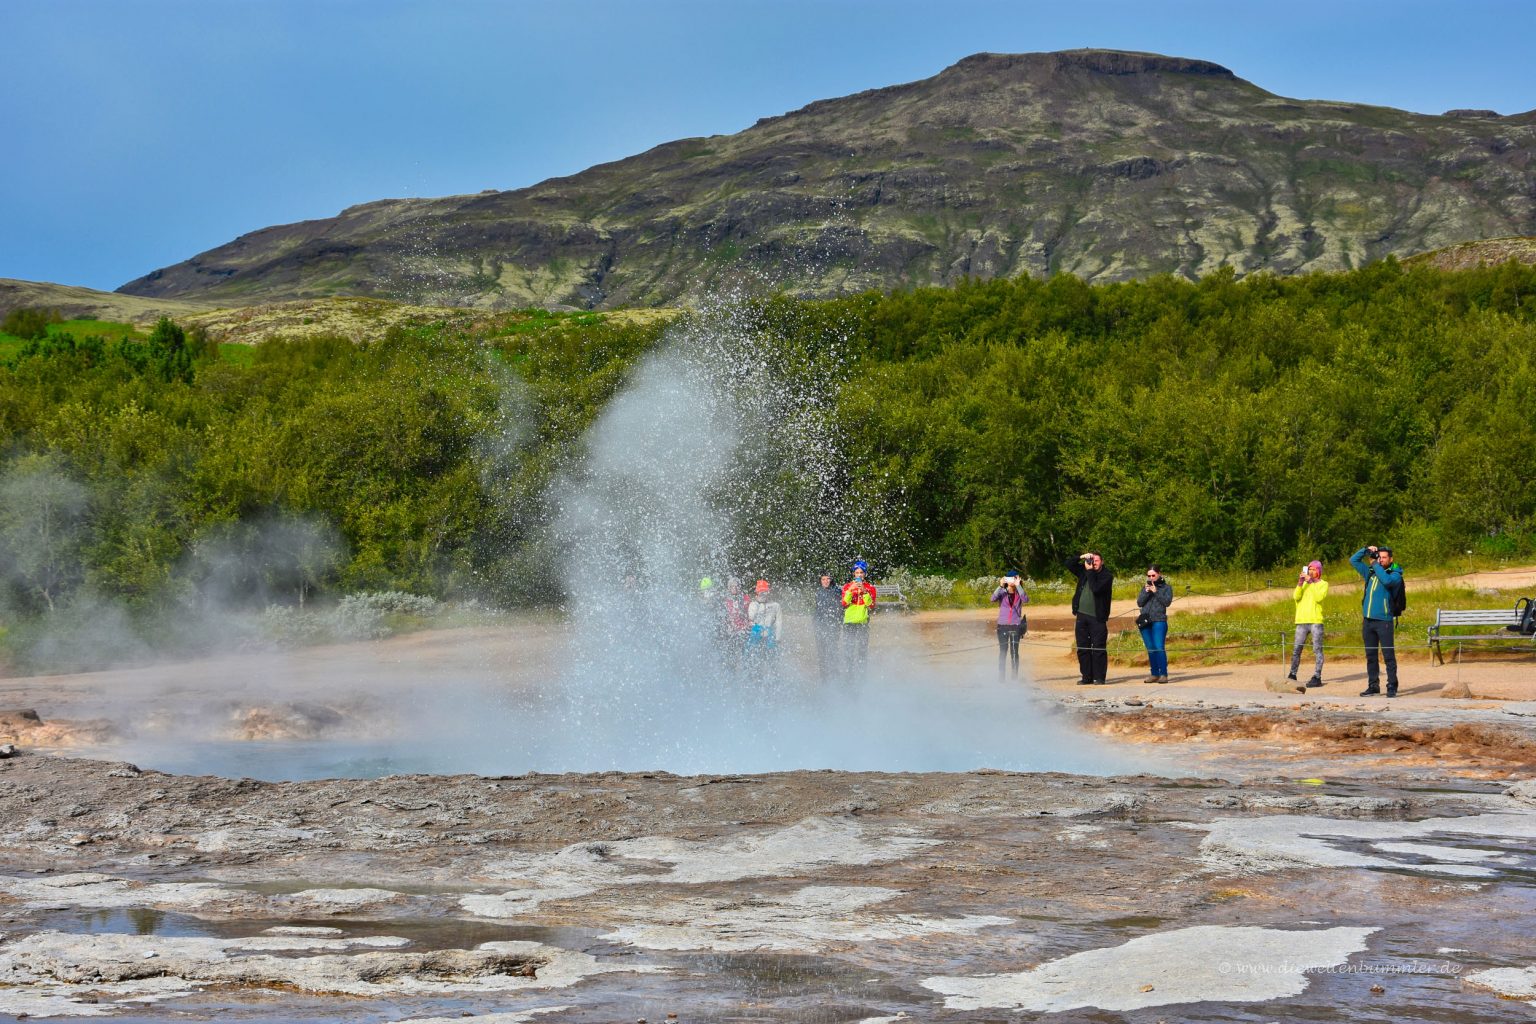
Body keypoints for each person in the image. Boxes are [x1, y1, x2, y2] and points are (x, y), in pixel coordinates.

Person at [1349, 544, 1402, 697]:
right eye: (1380, 557)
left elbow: (1386, 581)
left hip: (1384, 621)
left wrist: (1374, 563)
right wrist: (1366, 550)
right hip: (1368, 621)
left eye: (1384, 557)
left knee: (1388, 656)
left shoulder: (1395, 574)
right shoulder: (1371, 573)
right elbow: (1353, 560)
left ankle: (1392, 685)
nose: (1381, 559)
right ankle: (1373, 686)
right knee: (1371, 656)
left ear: (1391, 559)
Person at [1065, 551, 1113, 684]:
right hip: (1081, 615)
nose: (1094, 563)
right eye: (1092, 560)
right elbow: (1068, 564)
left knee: (1098, 648)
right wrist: (1081, 557)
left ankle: (1099, 677)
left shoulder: (1107, 576)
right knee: (1083, 648)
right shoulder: (1084, 571)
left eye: (1096, 561)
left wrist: (1090, 571)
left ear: (1102, 562)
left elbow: (1096, 588)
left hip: (1097, 617)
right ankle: (1086, 677)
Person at [1288, 560, 1328, 690]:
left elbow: (1319, 597)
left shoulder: (1323, 584)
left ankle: (1317, 676)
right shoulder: (1304, 584)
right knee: (1296, 649)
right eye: (1309, 569)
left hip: (1315, 620)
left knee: (1317, 649)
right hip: (1301, 620)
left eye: (1314, 569)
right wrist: (1300, 583)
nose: (1311, 571)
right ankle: (1292, 674)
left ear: (1319, 571)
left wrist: (1311, 582)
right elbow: (1296, 597)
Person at [1136, 565, 1174, 683]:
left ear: (1159, 574)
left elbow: (1167, 602)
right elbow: (1139, 603)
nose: (1151, 578)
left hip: (1159, 620)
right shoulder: (1145, 587)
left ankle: (1163, 674)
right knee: (1151, 649)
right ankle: (1154, 674)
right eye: (1149, 575)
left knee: (1159, 647)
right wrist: (1146, 592)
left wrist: (1156, 591)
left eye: (1153, 575)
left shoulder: (1167, 588)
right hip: (1145, 621)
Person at [841, 560, 877, 680]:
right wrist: (850, 590)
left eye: (861, 572)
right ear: (853, 574)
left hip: (862, 622)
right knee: (848, 651)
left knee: (862, 651)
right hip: (849, 622)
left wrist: (865, 592)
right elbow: (844, 603)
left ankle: (862, 677)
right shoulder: (847, 586)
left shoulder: (870, 588)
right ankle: (849, 677)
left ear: (865, 574)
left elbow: (871, 605)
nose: (859, 575)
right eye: (857, 573)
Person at [991, 572, 1030, 679]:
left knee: (1014, 652)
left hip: (1015, 626)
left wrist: (1018, 586)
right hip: (1002, 626)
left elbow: (1026, 600)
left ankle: (1014, 678)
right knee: (1003, 652)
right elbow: (992, 599)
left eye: (1014, 578)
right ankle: (1001, 677)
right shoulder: (1002, 592)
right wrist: (1000, 586)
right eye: (1010, 578)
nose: (1012, 581)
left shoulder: (1019, 593)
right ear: (1006, 580)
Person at [746, 579, 782, 677]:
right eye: (760, 592)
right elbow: (751, 617)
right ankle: (756, 679)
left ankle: (773, 680)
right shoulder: (753, 604)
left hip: (770, 637)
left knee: (772, 662)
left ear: (768, 592)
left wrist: (778, 638)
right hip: (756, 636)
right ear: (756, 593)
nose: (763, 595)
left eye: (765, 592)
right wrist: (758, 603)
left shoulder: (775, 605)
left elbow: (779, 623)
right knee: (756, 662)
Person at [813, 572, 844, 682]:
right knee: (821, 652)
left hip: (832, 625)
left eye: (828, 579)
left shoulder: (836, 591)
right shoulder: (819, 592)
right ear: (820, 581)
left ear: (831, 580)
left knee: (832, 651)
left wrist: (837, 622)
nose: (825, 581)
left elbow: (840, 608)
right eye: (823, 579)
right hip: (820, 625)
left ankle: (835, 676)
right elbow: (818, 609)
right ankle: (824, 678)